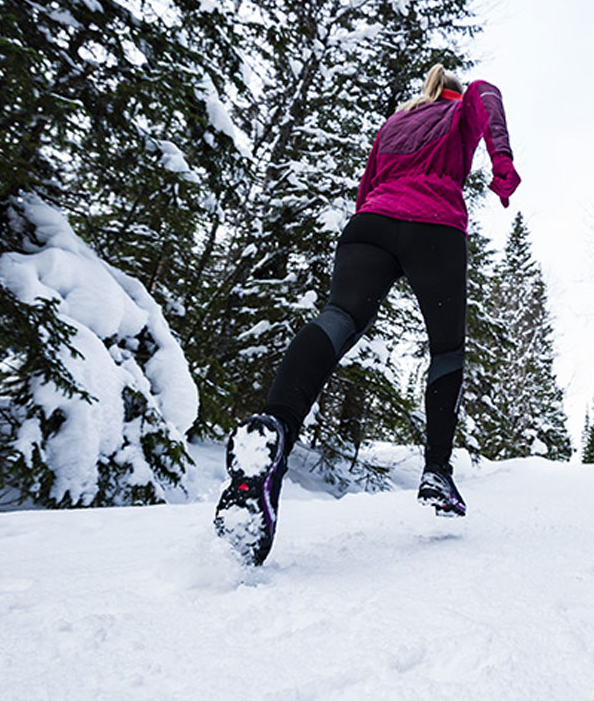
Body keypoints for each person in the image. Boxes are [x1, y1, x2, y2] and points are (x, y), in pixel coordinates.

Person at [215, 64, 521, 566]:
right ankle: (437, 473)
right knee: (446, 349)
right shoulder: (459, 109)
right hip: (434, 227)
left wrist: (366, 232)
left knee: (339, 317)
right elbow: (488, 91)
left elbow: (367, 186)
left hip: (370, 224)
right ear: (452, 93)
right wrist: (501, 159)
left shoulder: (393, 125)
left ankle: (275, 429)